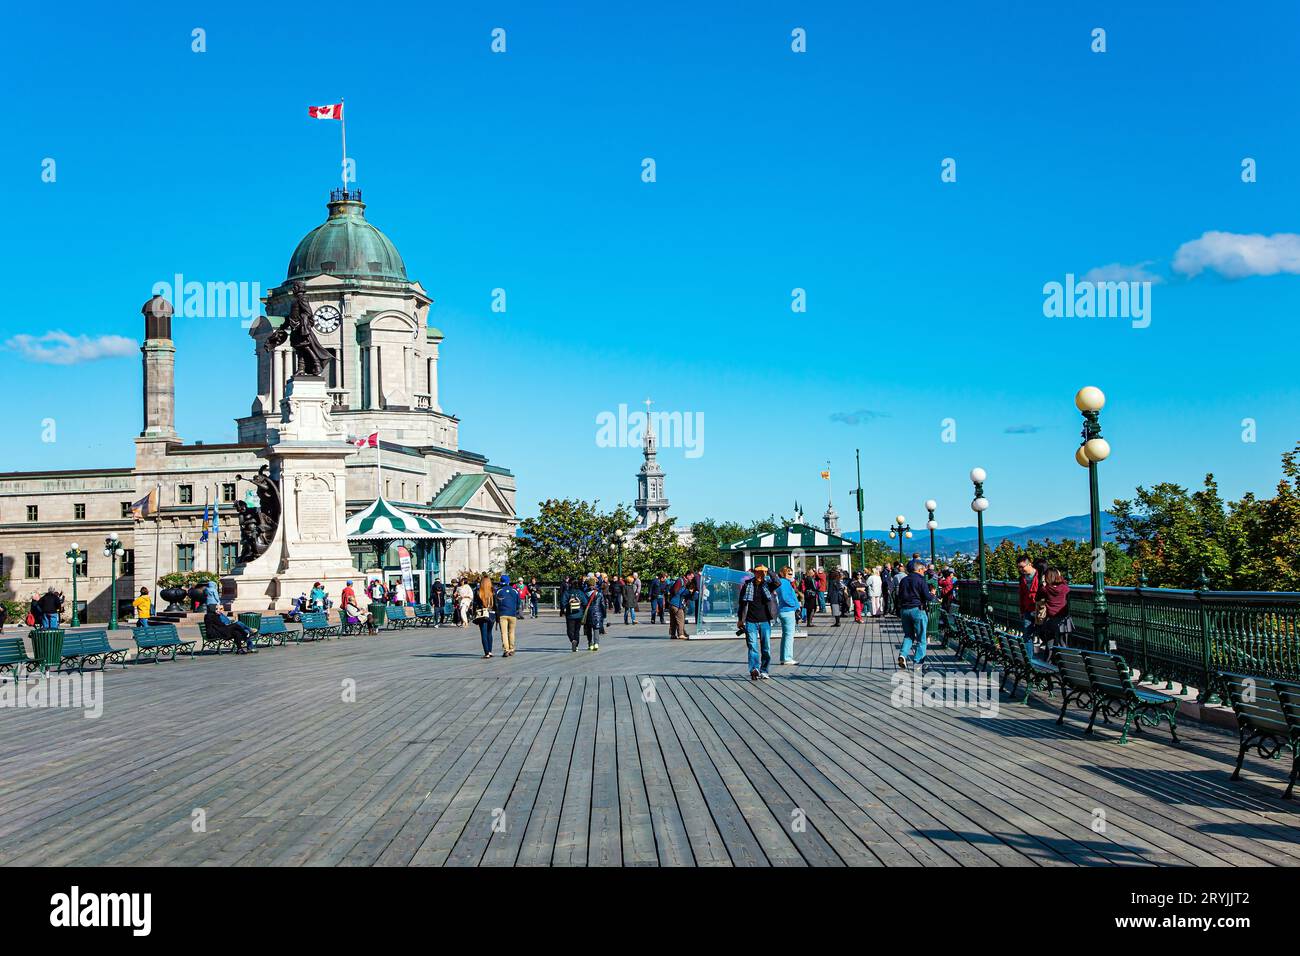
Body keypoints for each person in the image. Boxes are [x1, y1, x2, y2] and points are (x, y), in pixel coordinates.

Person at [737, 566, 778, 680]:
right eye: (757, 572)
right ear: (754, 573)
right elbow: (741, 603)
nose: (760, 574)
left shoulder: (767, 585)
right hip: (750, 620)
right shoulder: (747, 585)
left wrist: (769, 570)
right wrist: (740, 619)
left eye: (762, 572)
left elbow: (777, 582)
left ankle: (764, 670)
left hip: (765, 620)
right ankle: (754, 669)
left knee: (766, 647)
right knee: (752, 646)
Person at [895, 560, 934, 670]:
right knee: (921, 638)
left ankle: (903, 655)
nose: (924, 572)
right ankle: (918, 662)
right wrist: (933, 594)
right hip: (917, 610)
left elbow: (899, 596)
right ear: (919, 569)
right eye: (923, 570)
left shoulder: (903, 580)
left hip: (904, 610)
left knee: (908, 635)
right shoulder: (921, 580)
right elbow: (927, 597)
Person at [1035, 567, 1072, 659]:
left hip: (1050, 620)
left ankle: (1048, 662)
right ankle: (1064, 663)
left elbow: (1037, 598)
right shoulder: (1064, 588)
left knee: (1049, 645)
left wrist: (1042, 584)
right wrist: (1060, 578)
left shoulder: (1045, 589)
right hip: (1063, 620)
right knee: (1063, 644)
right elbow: (1066, 587)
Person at [775, 565, 801, 665]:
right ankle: (787, 658)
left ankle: (784, 657)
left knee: (786, 635)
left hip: (783, 610)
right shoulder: (784, 583)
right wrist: (795, 605)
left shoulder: (782, 582)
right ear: (783, 573)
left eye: (791, 573)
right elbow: (786, 597)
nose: (791, 575)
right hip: (787, 611)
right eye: (788, 573)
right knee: (789, 635)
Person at [1017, 553, 1040, 653]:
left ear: (1029, 564)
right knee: (1027, 635)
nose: (1020, 570)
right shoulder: (1022, 579)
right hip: (1028, 609)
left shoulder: (1040, 575)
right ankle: (1029, 661)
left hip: (1039, 610)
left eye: (1022, 567)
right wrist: (1022, 610)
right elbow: (1022, 596)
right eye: (1019, 568)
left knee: (1044, 634)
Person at [495, 574, 522, 657]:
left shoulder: (498, 591)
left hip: (502, 614)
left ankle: (506, 650)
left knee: (504, 633)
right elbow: (518, 603)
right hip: (512, 614)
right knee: (511, 632)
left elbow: (496, 604)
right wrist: (515, 610)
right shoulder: (515, 591)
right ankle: (512, 649)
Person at [471, 576, 496, 658]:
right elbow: (496, 603)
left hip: (482, 613)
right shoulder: (493, 591)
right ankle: (490, 651)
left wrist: (473, 612)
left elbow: (474, 603)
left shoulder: (478, 591)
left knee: (484, 634)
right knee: (489, 633)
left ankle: (487, 652)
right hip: (491, 613)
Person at [560, 576, 586, 651]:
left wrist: (565, 608)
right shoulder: (580, 592)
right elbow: (585, 602)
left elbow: (562, 603)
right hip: (579, 613)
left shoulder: (567, 593)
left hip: (570, 614)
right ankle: (576, 646)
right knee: (577, 631)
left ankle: (572, 640)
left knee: (570, 630)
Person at [666, 571, 694, 639]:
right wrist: (687, 591)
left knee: (673, 620)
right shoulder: (680, 580)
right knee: (680, 619)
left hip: (673, 603)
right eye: (691, 577)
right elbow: (676, 591)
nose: (692, 578)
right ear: (688, 575)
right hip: (677, 604)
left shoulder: (683, 581)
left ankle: (673, 634)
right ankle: (680, 634)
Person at [581, 574, 605, 650]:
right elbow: (603, 605)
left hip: (588, 612)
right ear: (594, 584)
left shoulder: (584, 593)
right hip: (597, 612)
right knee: (596, 628)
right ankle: (596, 643)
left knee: (588, 629)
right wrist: (604, 614)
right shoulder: (599, 593)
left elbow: (583, 604)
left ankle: (590, 643)